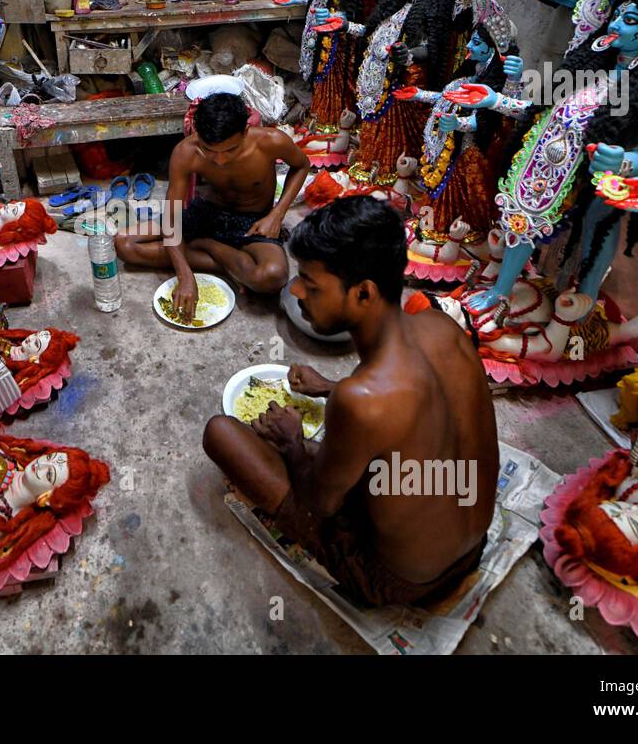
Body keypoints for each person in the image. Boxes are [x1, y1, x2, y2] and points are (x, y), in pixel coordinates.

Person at [202, 197, 498, 606]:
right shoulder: (441, 326)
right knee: (363, 460)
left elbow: (318, 505)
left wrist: (291, 441)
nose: (297, 291)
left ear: (363, 294)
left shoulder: (360, 401)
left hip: (403, 580)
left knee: (222, 434)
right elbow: (412, 399)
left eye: (311, 282)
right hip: (471, 544)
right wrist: (330, 388)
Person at [115, 91, 311, 321]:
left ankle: (208, 246)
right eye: (209, 151)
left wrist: (277, 214)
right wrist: (185, 276)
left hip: (253, 222)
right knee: (124, 244)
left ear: (245, 131)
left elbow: (302, 165)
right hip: (206, 214)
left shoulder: (271, 141)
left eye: (230, 150)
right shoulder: (186, 152)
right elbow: (171, 218)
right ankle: (230, 265)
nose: (220, 160)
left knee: (272, 277)